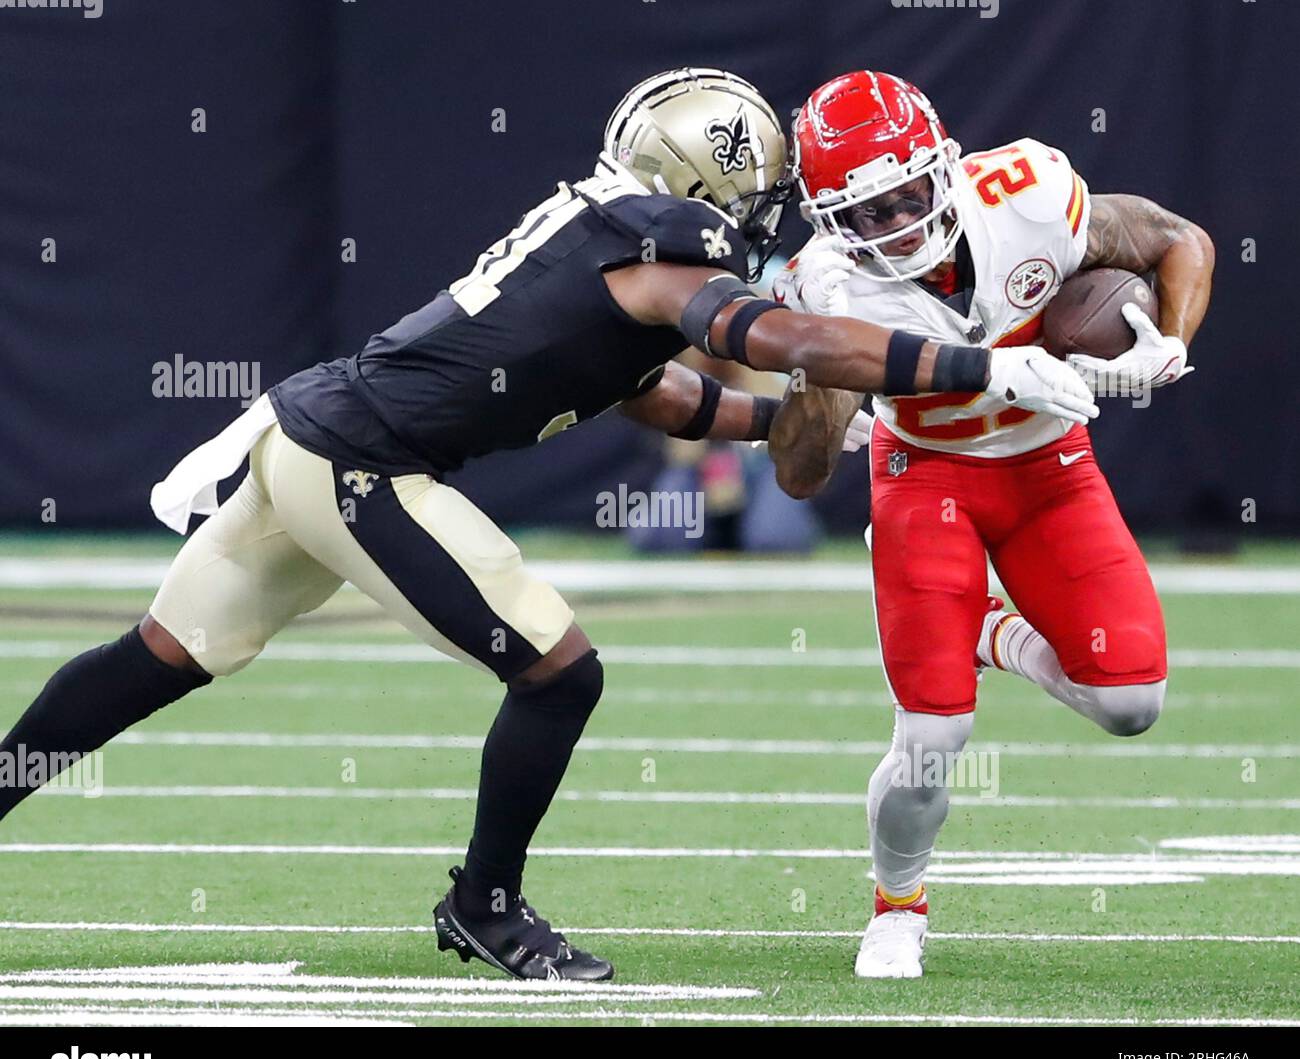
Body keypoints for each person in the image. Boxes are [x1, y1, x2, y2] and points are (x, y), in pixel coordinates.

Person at [0, 67, 1093, 982]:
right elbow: (797, 342)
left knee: (158, 655)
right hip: (358, 464)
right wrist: (988, 363)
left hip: (312, 439)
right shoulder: (664, 252)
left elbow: (657, 395)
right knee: (557, 672)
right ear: (722, 182)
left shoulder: (606, 230)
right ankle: (486, 904)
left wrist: (782, 432)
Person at [768, 70, 1214, 979]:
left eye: (904, 192)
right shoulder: (831, 287)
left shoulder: (1028, 192)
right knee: (934, 739)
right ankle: (899, 907)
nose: (892, 221)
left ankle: (988, 631)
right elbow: (799, 474)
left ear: (945, 163)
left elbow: (1181, 240)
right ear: (827, 221)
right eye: (864, 211)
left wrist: (1169, 343)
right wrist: (818, 393)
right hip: (925, 474)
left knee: (1133, 703)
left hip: (1050, 467)